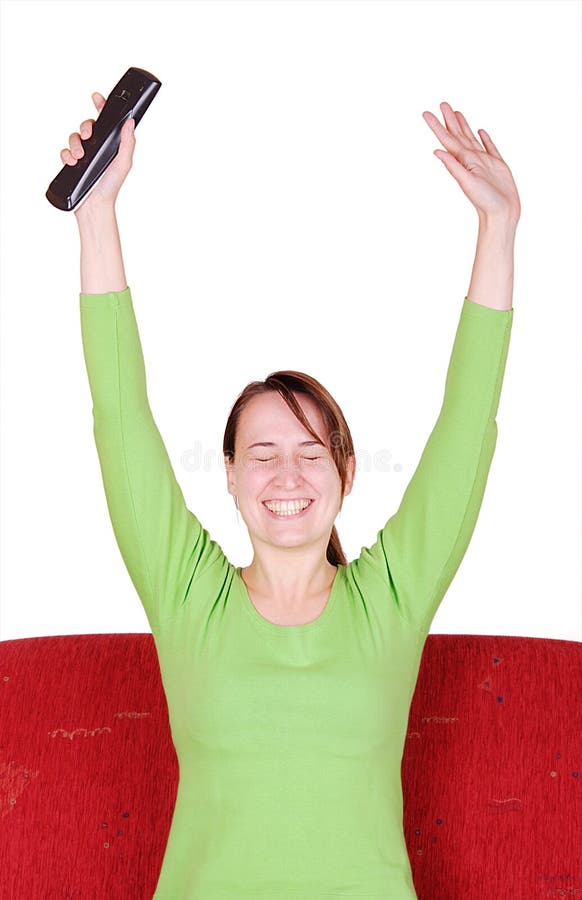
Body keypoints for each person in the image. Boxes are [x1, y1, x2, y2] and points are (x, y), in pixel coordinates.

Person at [67, 95, 520, 898]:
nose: (287, 476)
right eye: (263, 454)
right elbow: (121, 418)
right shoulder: (188, 597)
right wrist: (96, 215)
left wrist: (499, 227)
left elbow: (465, 425)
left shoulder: (390, 601)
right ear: (230, 474)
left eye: (312, 454)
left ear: (347, 473)